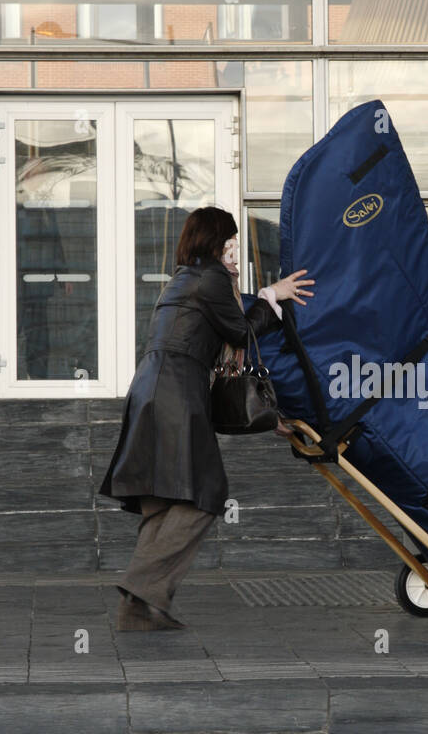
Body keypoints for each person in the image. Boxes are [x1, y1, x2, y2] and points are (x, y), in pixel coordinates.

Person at [99, 206, 314, 631]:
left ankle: (139, 613)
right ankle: (140, 586)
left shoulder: (183, 277)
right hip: (176, 389)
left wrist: (270, 418)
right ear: (214, 241)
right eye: (230, 243)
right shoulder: (212, 277)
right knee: (206, 493)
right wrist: (273, 295)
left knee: (162, 500)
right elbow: (240, 333)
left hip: (150, 389)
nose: (234, 252)